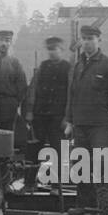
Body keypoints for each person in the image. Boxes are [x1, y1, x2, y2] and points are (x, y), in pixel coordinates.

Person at [64, 24, 108, 215]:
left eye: (91, 38)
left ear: (99, 41)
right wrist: (70, 121)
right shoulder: (78, 65)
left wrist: (103, 107)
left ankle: (105, 206)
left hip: (100, 125)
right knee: (81, 166)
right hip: (80, 125)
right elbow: (72, 95)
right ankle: (84, 206)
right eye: (84, 39)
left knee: (103, 165)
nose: (87, 42)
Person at [26, 35, 72, 190]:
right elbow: (33, 89)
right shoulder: (42, 67)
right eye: (50, 49)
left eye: (55, 49)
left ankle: (56, 185)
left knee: (57, 151)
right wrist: (30, 112)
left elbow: (72, 94)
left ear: (62, 50)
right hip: (40, 116)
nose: (52, 52)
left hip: (58, 118)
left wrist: (67, 117)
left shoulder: (68, 69)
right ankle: (29, 182)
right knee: (34, 150)